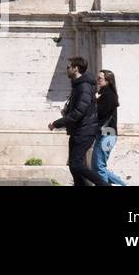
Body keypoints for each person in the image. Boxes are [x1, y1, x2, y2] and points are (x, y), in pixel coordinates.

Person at [48, 56, 108, 186]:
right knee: (74, 167)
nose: (67, 69)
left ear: (76, 68)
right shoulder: (78, 86)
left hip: (85, 131)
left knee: (76, 165)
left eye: (69, 67)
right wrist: (67, 111)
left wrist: (57, 123)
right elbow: (78, 108)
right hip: (78, 131)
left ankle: (104, 185)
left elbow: (79, 112)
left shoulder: (84, 87)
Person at [95, 69, 128, 185]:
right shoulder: (105, 94)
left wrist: (92, 102)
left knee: (99, 166)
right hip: (105, 134)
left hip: (108, 134)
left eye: (100, 78)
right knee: (98, 166)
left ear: (108, 81)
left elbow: (99, 112)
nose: (97, 80)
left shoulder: (108, 95)